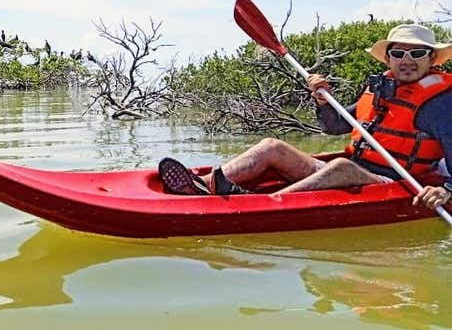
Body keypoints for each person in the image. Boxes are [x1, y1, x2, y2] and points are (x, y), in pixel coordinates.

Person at [158, 23, 452, 210]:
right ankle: (200, 186)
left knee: (339, 166)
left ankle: (262, 206)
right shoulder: (380, 89)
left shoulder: (440, 104)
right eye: (399, 54)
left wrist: (444, 191)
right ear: (388, 59)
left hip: (397, 183)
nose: (407, 61)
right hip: (359, 169)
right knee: (271, 146)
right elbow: (335, 126)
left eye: (417, 54)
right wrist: (323, 100)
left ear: (431, 59)